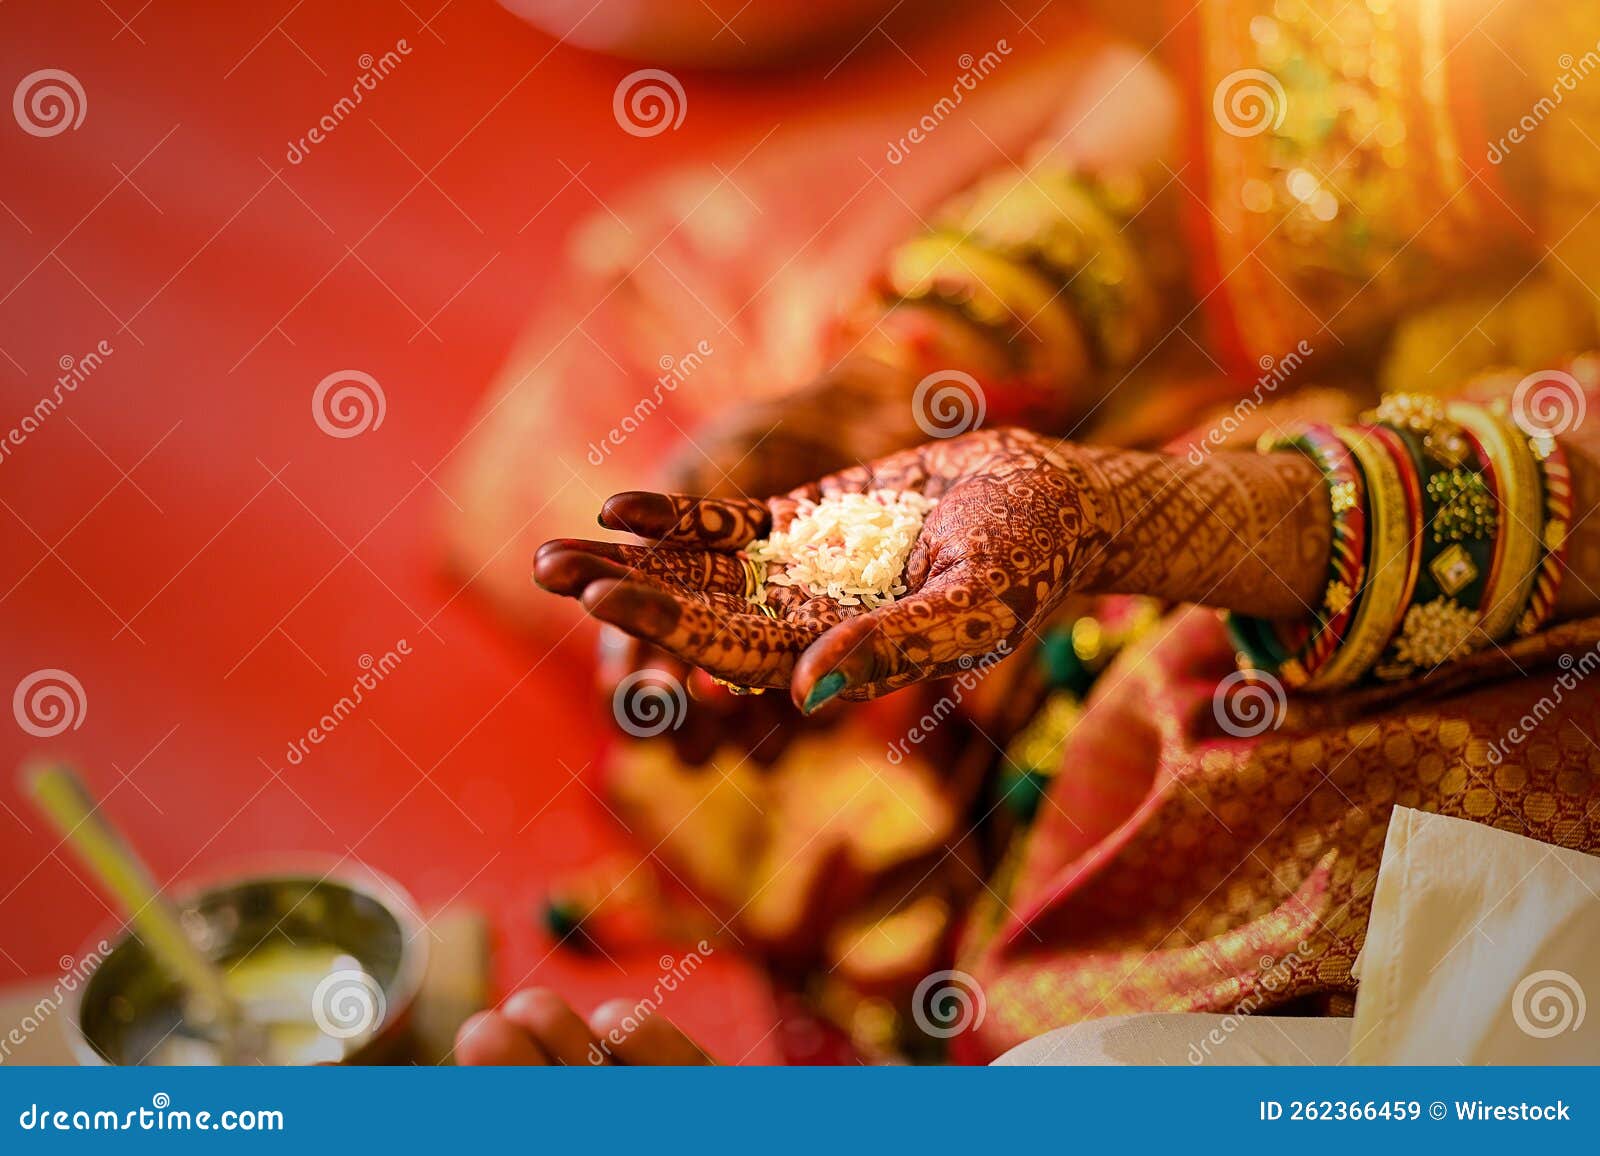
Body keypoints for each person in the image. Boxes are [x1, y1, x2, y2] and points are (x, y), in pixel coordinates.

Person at [453, 0, 1600, 1063]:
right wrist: (902, 378)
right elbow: (1254, 107)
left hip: (1532, 551)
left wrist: (1161, 521)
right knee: (670, 330)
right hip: (1319, 346)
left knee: (1344, 854)